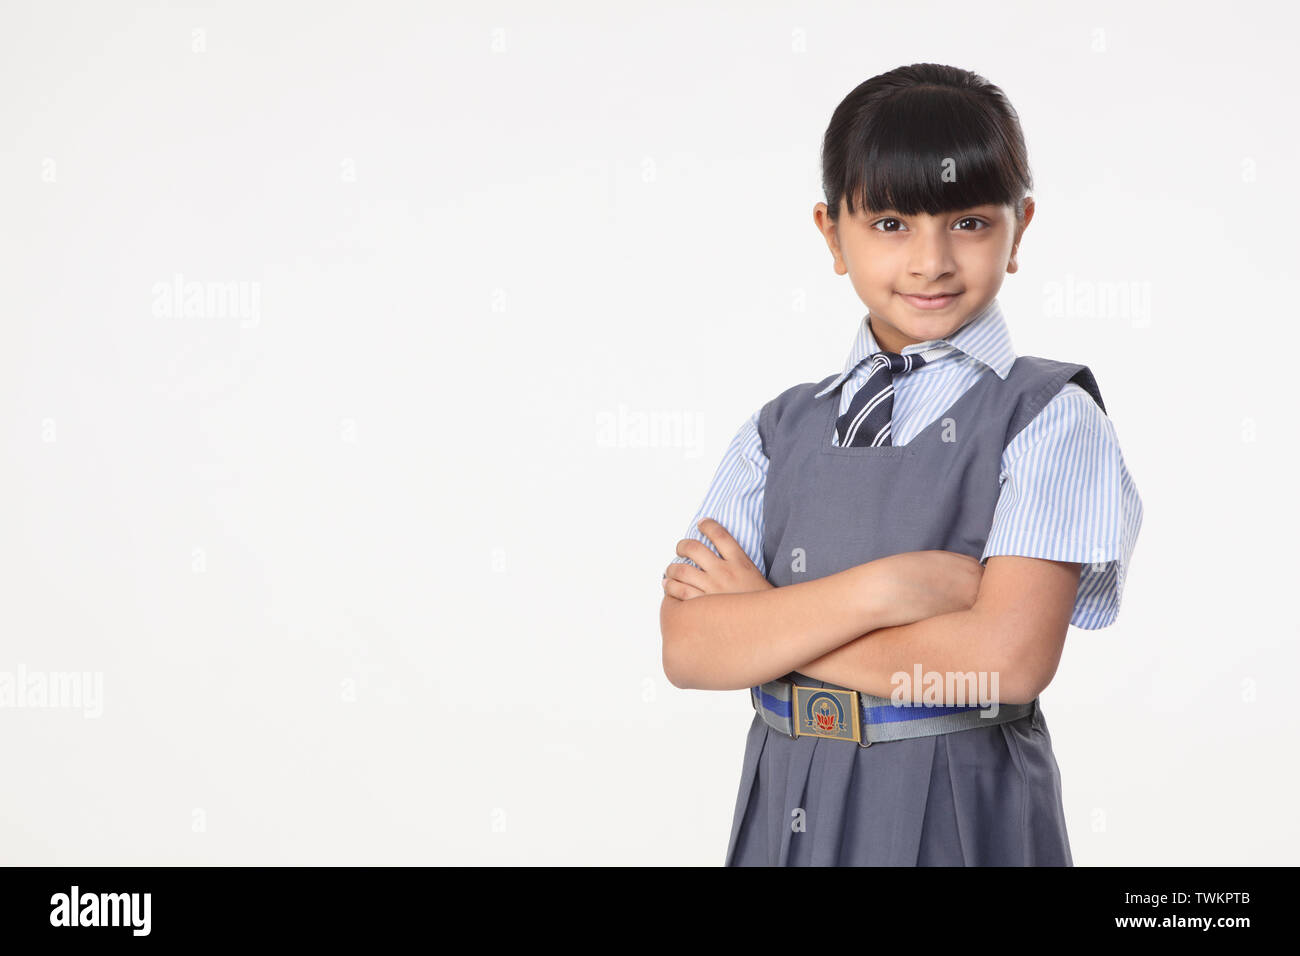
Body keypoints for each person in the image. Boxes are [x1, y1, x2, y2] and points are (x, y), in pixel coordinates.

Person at [659, 63, 1144, 866]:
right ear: (831, 234)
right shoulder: (780, 430)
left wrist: (771, 627)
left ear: (1020, 227)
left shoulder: (1049, 416)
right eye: (890, 224)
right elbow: (689, 649)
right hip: (789, 797)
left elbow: (1005, 663)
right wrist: (884, 590)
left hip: (961, 805)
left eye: (968, 223)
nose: (930, 262)